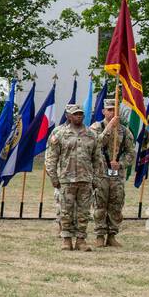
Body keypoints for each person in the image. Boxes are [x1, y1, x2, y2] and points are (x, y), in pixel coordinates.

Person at [45, 102, 103, 251]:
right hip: (66, 180)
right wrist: (54, 178)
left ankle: (81, 240)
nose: (78, 116)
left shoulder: (92, 135)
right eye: (75, 114)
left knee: (84, 212)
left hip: (85, 180)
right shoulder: (59, 134)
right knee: (66, 211)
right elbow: (51, 158)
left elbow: (97, 159)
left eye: (80, 114)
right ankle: (66, 239)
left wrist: (96, 179)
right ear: (68, 116)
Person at [90, 99, 136, 248]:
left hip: (116, 174)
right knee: (100, 204)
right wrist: (109, 127)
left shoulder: (124, 131)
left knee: (116, 204)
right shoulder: (96, 127)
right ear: (103, 111)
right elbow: (95, 144)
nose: (112, 113)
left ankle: (112, 235)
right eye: (109, 110)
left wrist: (121, 163)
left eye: (114, 110)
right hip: (100, 173)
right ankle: (99, 235)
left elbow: (130, 152)